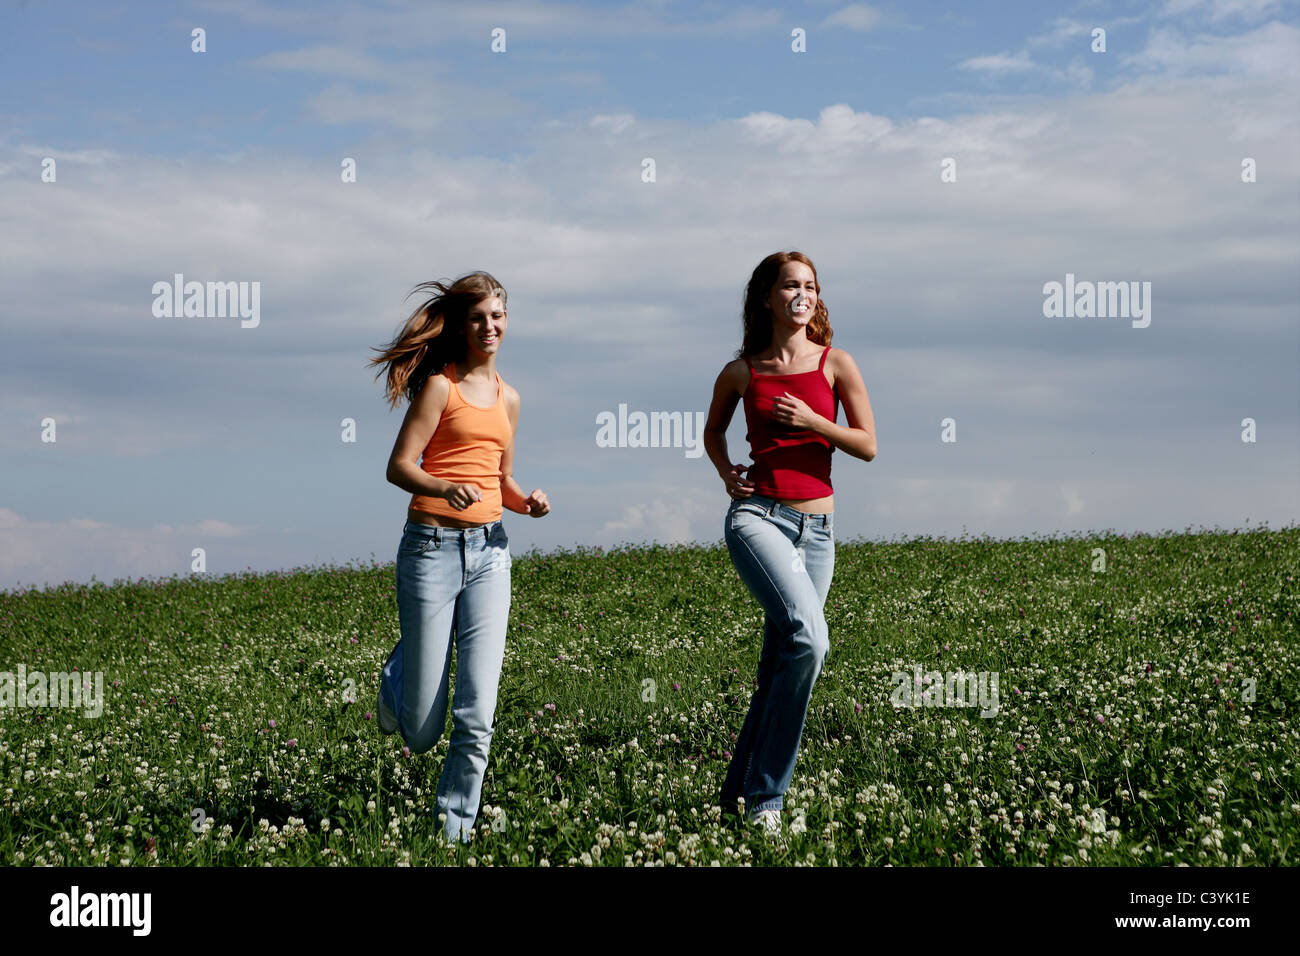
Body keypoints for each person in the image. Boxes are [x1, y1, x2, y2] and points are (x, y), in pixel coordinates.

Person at [367, 271, 549, 844]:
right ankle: (399, 673)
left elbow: (502, 479)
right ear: (462, 324)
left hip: (491, 554)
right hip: (431, 549)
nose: (489, 326)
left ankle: (454, 833)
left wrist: (528, 502)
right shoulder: (440, 388)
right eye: (478, 318)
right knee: (421, 732)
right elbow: (400, 465)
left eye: (497, 316)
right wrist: (444, 487)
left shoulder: (510, 399)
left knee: (478, 711)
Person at [703, 251, 877, 833]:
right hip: (759, 519)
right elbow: (712, 432)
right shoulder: (742, 371)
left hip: (819, 532)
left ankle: (736, 796)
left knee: (781, 663)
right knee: (810, 638)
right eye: (790, 285)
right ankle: (767, 801)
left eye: (810, 285)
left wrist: (814, 422)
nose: (802, 294)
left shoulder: (836, 365)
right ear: (767, 299)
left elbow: (867, 444)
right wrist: (728, 473)